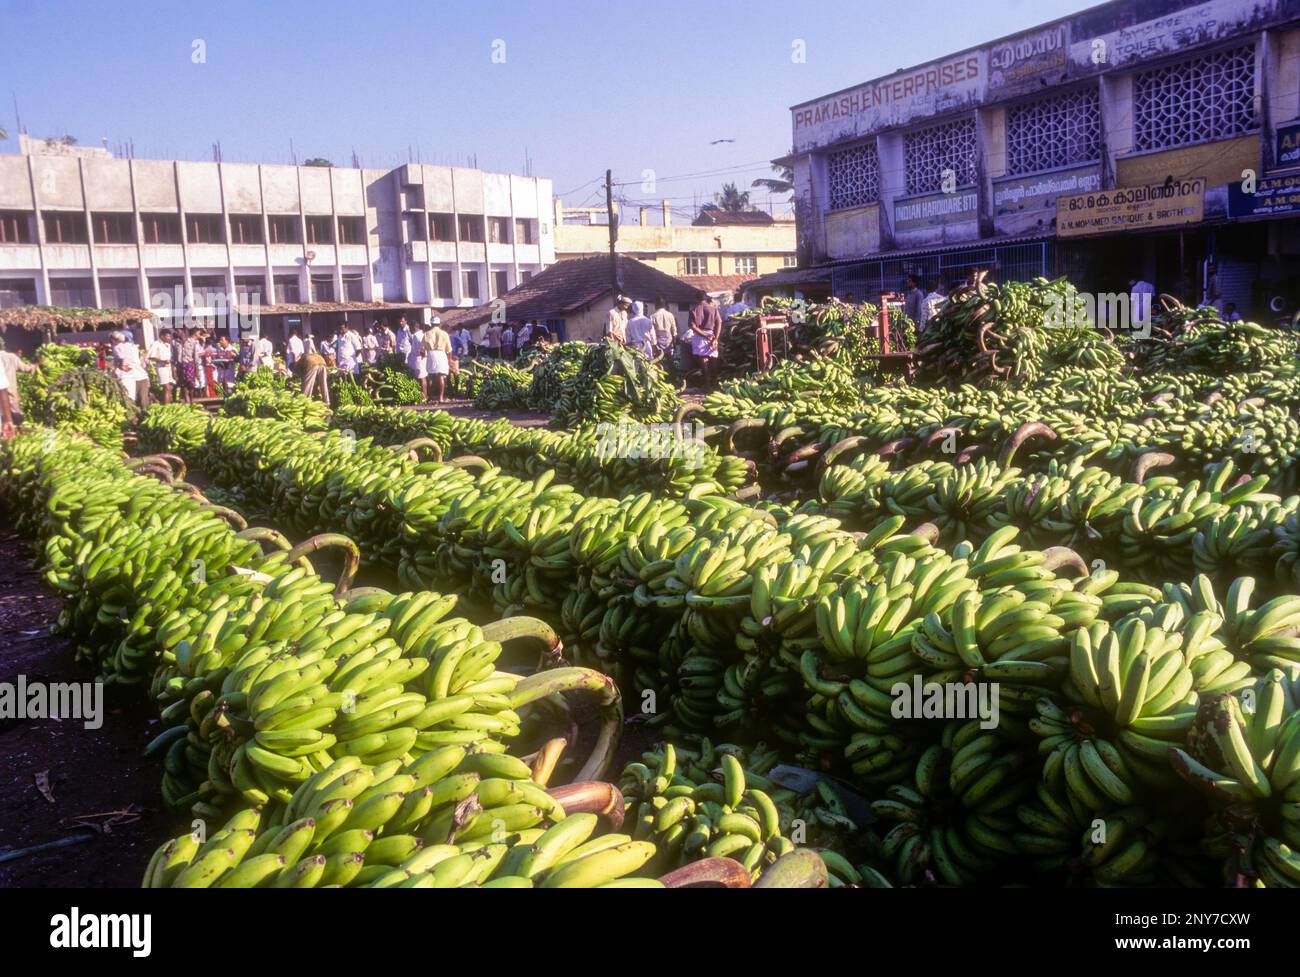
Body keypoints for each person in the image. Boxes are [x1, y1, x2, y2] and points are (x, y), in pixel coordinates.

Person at [687, 293, 722, 388]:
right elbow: (719, 322)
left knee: (704, 361)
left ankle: (707, 383)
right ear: (706, 299)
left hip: (700, 337)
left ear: (697, 299)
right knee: (713, 360)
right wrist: (716, 338)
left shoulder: (694, 309)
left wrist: (704, 334)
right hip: (712, 335)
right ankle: (714, 383)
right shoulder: (713, 309)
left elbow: (692, 326)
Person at [0, 339, 36, 427]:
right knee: (15, 416)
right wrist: (34, 365)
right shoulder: (11, 356)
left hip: (3, 392)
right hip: (9, 392)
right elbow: (26, 369)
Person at [112, 331, 150, 406]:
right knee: (143, 400)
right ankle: (145, 415)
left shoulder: (118, 348)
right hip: (141, 376)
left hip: (130, 377)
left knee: (131, 401)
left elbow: (120, 362)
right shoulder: (135, 347)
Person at [424, 317, 452, 404]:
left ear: (431, 324)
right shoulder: (444, 334)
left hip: (431, 354)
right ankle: (441, 397)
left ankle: (431, 397)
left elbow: (423, 348)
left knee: (431, 377)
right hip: (441, 354)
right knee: (441, 376)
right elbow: (449, 350)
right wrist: (449, 360)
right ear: (439, 324)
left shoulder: (427, 333)